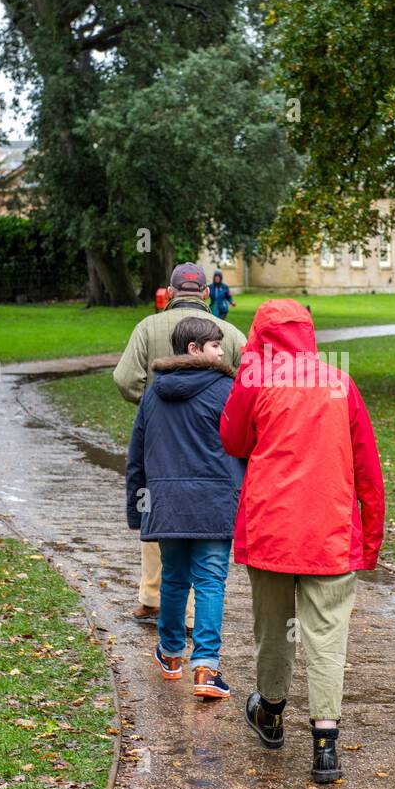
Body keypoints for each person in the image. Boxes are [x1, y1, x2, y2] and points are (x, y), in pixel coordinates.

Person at [220, 299, 385, 784]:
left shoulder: (257, 379)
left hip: (272, 527)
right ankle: (325, 744)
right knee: (327, 637)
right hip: (329, 531)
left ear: (260, 335)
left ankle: (270, 713)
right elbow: (367, 468)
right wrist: (370, 537)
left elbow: (233, 440)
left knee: (273, 629)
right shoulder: (340, 382)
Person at [113, 262, 246, 625]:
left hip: (160, 438)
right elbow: (249, 391)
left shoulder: (147, 327)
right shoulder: (230, 333)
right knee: (201, 529)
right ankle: (190, 618)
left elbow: (125, 378)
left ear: (169, 294)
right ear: (205, 294)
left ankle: (152, 597)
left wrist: (152, 405)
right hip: (213, 444)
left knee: (161, 513)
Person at [126, 315, 245, 698]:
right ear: (193, 349)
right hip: (214, 504)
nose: (221, 351)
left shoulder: (153, 393)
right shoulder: (227, 390)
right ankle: (206, 668)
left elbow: (137, 457)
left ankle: (172, 654)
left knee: (174, 580)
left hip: (167, 505)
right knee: (210, 581)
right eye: (214, 345)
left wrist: (136, 508)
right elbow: (243, 447)